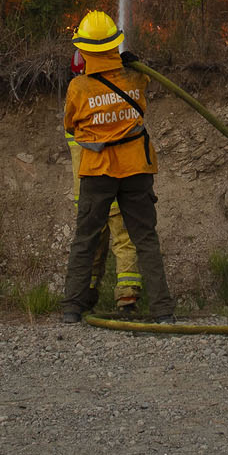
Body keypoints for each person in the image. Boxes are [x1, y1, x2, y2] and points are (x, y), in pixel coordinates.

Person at [59, 10, 175, 325]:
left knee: (85, 238)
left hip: (98, 172)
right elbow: (145, 88)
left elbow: (71, 122)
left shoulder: (78, 88)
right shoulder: (136, 78)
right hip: (136, 169)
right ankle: (163, 312)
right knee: (145, 238)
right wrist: (128, 65)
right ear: (116, 46)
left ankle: (72, 308)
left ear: (83, 51)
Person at [63, 44, 143, 315]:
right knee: (125, 241)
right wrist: (130, 69)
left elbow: (71, 125)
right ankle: (127, 300)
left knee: (91, 247)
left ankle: (84, 298)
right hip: (114, 182)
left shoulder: (77, 94)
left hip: (88, 192)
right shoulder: (102, 92)